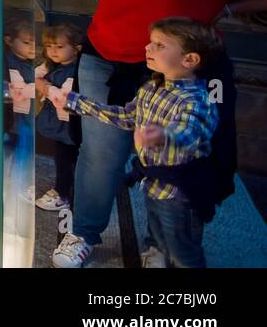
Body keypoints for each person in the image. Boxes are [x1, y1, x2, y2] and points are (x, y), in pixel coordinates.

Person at [51, 0, 267, 268]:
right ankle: (82, 233)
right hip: (108, 56)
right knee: (101, 152)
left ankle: (159, 245)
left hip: (172, 73)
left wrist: (232, 9)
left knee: (169, 157)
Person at [47, 18, 221, 268]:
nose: (148, 49)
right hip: (153, 185)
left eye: (160, 45)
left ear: (190, 60)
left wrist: (162, 135)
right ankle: (157, 248)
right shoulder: (152, 87)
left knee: (183, 249)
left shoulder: (196, 100)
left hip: (182, 193)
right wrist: (76, 102)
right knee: (159, 224)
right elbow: (126, 116)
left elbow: (190, 131)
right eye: (151, 43)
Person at [34, 23, 83, 212]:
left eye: (60, 47)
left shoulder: (77, 71)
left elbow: (63, 98)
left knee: (70, 159)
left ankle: (65, 193)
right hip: (59, 124)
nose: (53, 51)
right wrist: (41, 82)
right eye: (49, 46)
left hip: (71, 125)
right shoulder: (52, 64)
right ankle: (63, 191)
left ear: (76, 49)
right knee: (61, 157)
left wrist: (47, 87)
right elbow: (35, 75)